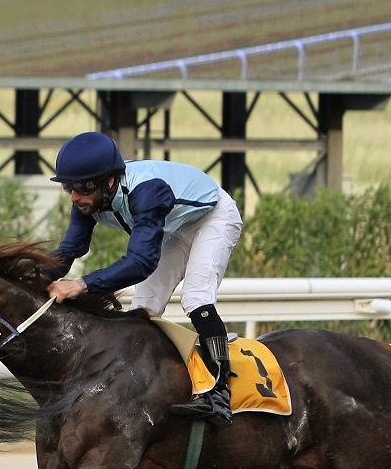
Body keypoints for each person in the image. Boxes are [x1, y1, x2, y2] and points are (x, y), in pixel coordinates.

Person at [43, 131, 244, 426]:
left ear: (109, 181)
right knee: (144, 308)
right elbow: (71, 250)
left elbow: (141, 262)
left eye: (82, 188)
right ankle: (136, 384)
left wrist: (81, 284)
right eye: (68, 189)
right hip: (176, 227)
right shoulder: (89, 198)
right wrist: (32, 277)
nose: (75, 197)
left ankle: (219, 392)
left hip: (214, 216)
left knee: (196, 297)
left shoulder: (147, 192)